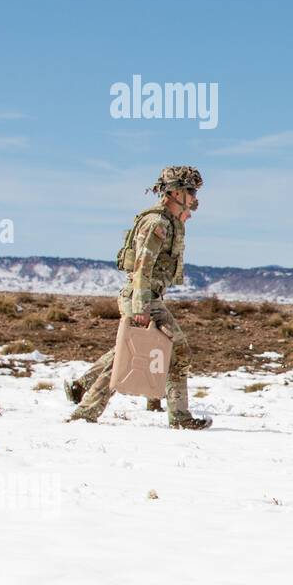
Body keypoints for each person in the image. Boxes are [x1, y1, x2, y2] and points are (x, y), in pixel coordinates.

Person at [65, 166, 211, 429]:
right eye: (191, 191)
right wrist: (141, 306)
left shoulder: (169, 222)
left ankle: (83, 395)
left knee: (128, 352)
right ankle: (179, 417)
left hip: (146, 297)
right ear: (176, 191)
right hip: (142, 298)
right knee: (177, 350)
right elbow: (142, 267)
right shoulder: (157, 223)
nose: (194, 198)